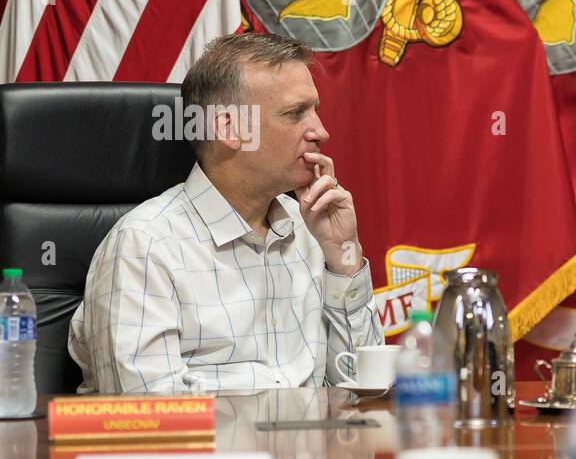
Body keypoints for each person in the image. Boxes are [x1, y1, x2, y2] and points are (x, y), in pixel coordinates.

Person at [69, 33, 382, 393]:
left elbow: (363, 387)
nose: (321, 132)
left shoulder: (311, 227)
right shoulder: (145, 246)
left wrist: (343, 260)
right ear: (230, 129)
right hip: (216, 433)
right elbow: (149, 414)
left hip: (315, 430)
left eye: (315, 111)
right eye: (296, 113)